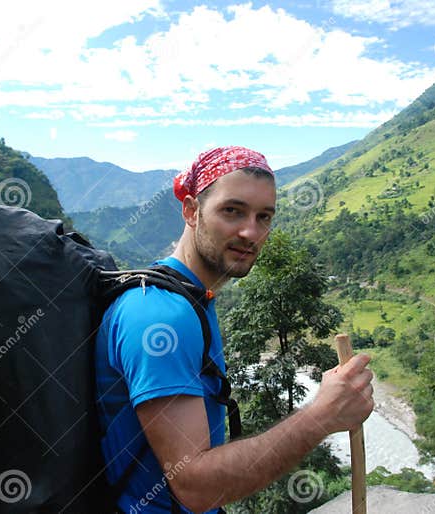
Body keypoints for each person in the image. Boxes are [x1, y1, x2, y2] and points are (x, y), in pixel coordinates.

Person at [95, 146, 374, 513]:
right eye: (232, 211)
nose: (250, 232)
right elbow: (195, 487)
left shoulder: (191, 297)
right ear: (191, 210)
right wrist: (322, 416)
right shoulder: (162, 317)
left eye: (264, 217)